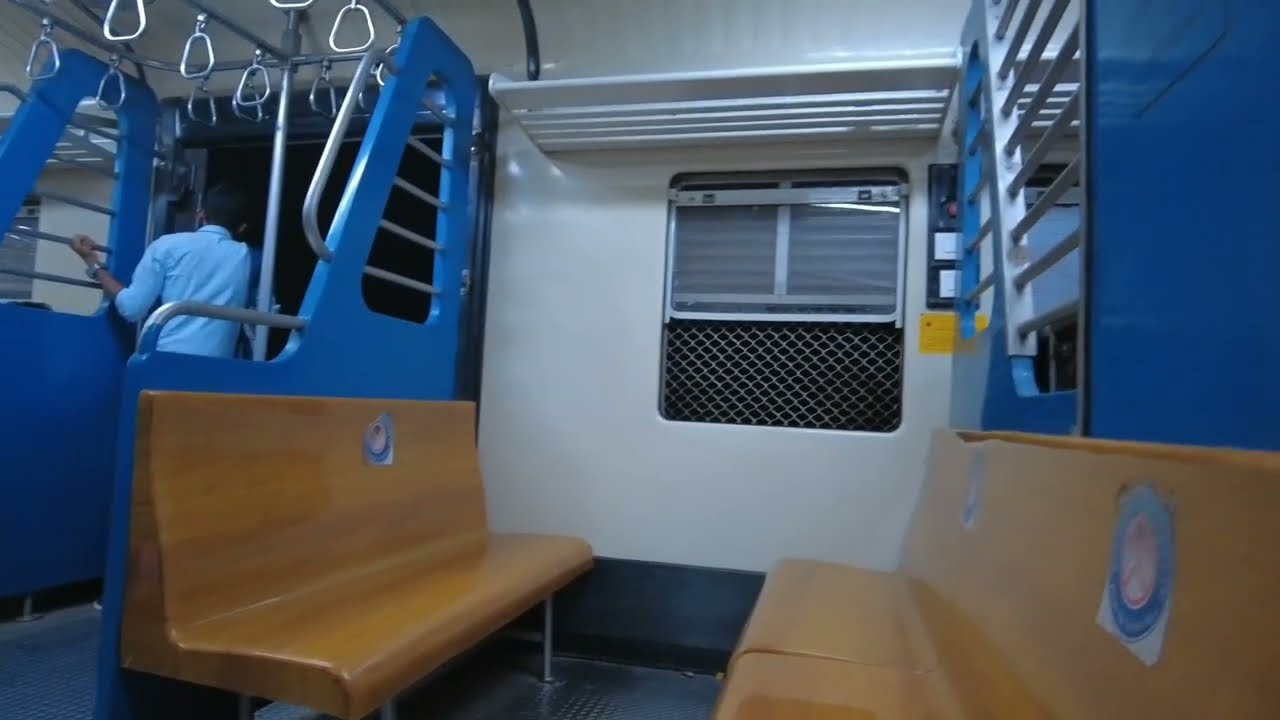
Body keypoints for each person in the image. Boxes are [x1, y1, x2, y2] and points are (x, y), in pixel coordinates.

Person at [70, 183, 253, 358]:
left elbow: (132, 308)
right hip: (219, 367)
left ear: (200, 214)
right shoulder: (247, 257)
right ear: (242, 227)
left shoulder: (167, 245)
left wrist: (93, 263)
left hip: (167, 361)